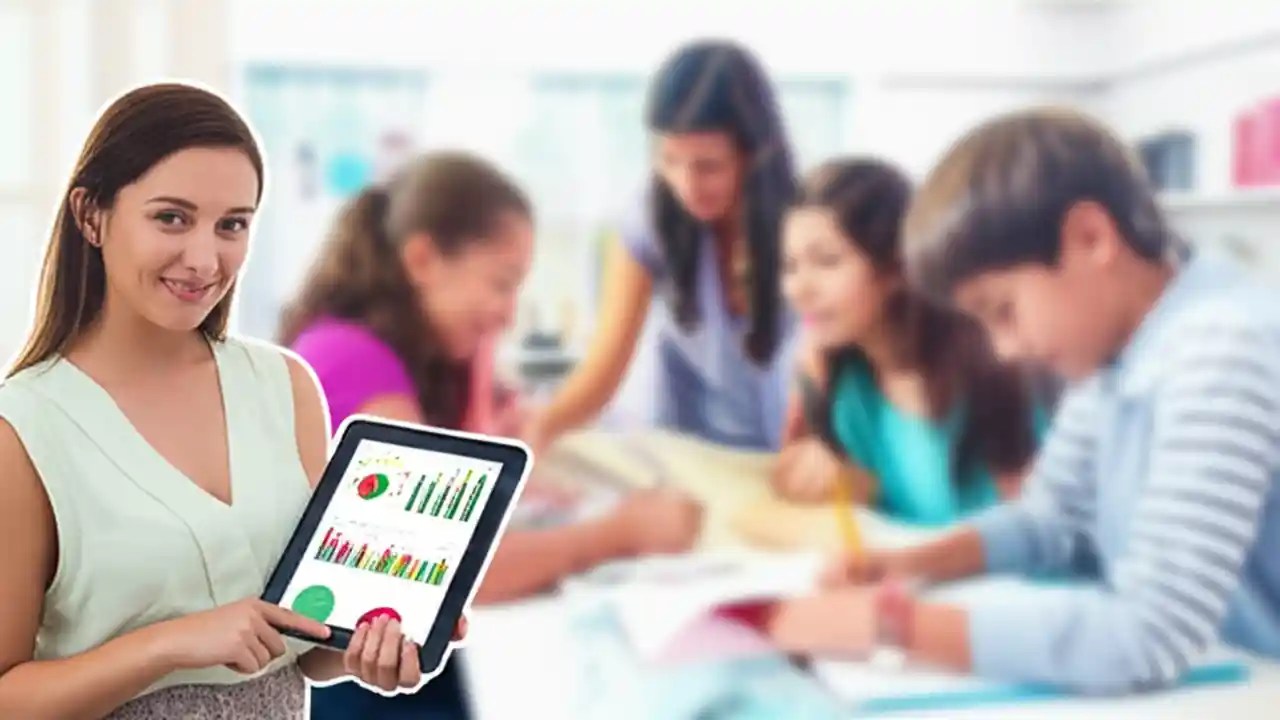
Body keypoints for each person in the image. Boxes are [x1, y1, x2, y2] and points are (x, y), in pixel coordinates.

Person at [766, 107, 1280, 694]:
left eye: (1003, 310)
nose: (1004, 350)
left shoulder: (1222, 345)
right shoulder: (1119, 354)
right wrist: (911, 567)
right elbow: (1048, 520)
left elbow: (1148, 635)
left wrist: (894, 626)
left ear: (1091, 239)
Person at [0, 83, 456, 720]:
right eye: (171, 218)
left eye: (232, 225)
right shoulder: (24, 429)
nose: (204, 259)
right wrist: (165, 645)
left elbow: (302, 644)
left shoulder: (283, 386)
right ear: (90, 215)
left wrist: (369, 645)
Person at [279, 151, 704, 719]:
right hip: (359, 687)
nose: (508, 315)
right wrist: (619, 534)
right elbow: (444, 573)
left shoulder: (396, 355)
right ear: (424, 260)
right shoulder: (352, 360)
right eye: (501, 285)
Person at [522, 39, 799, 453]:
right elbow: (602, 371)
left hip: (785, 452)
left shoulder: (807, 224)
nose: (686, 186)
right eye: (669, 160)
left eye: (708, 166)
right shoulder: (650, 216)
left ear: (755, 153)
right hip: (682, 452)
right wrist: (536, 433)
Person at [772, 158, 1041, 524]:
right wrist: (842, 483)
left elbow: (1041, 532)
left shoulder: (989, 370)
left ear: (897, 269)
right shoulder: (847, 390)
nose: (799, 290)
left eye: (827, 262)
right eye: (790, 266)